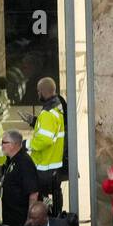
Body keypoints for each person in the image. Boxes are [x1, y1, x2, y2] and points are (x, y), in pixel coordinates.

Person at [26, 78, 66, 213]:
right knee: (53, 197)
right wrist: (35, 122)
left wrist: (26, 144)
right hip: (53, 163)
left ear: (42, 92)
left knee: (43, 199)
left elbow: (44, 140)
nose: (38, 94)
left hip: (45, 165)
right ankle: (55, 215)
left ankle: (49, 218)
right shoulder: (57, 106)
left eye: (38, 91)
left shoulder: (48, 113)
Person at [0, 129, 40, 226]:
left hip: (20, 219)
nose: (1, 145)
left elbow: (33, 194)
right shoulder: (11, 159)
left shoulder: (24, 163)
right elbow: (3, 173)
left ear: (13, 144)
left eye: (4, 143)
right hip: (10, 218)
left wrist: (30, 218)